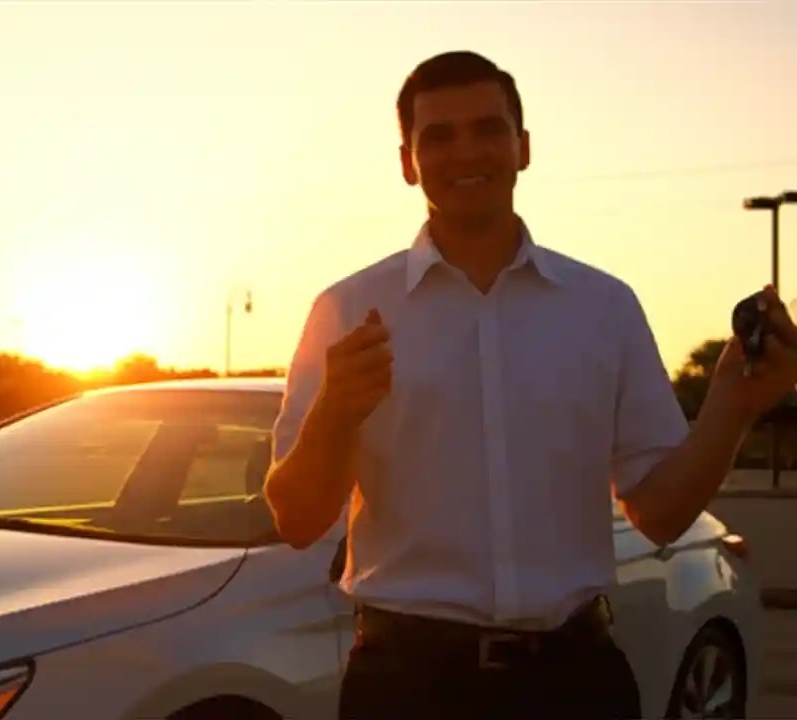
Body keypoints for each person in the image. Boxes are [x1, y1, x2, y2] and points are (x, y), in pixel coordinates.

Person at [263, 50, 797, 719]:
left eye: (488, 129)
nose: (467, 152)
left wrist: (733, 407)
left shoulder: (603, 308)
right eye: (439, 136)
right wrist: (333, 414)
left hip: (575, 681)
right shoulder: (347, 310)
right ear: (407, 162)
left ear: (523, 147)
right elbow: (296, 521)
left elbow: (659, 514)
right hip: (406, 687)